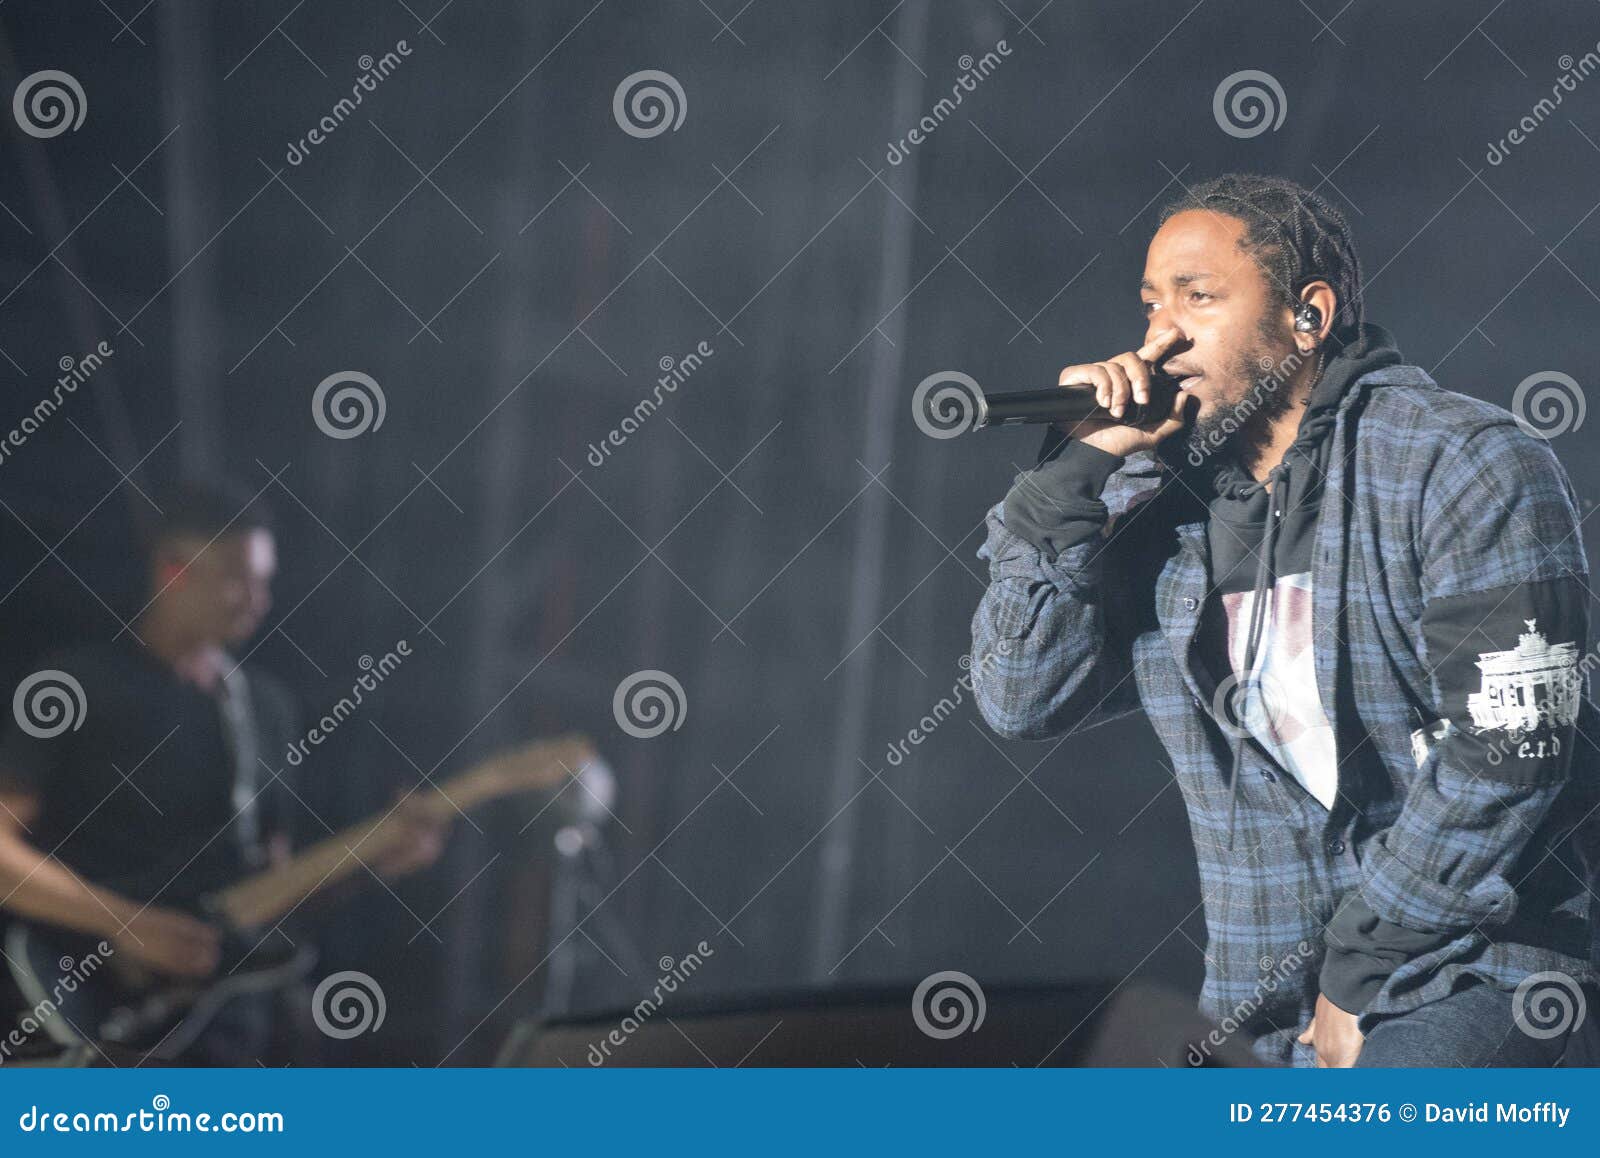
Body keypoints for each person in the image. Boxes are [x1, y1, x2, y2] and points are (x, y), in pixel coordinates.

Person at [971, 172, 1600, 1067]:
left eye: (1200, 296)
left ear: (1308, 316)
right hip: (1263, 1012)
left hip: (1472, 971)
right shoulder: (1156, 508)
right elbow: (1020, 696)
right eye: (1152, 302)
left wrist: (1359, 971)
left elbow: (1510, 751)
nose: (1162, 333)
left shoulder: (1463, 461)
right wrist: (1074, 475)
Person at [0, 480, 446, 1063]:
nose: (258, 598)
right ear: (173, 571)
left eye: (265, 579)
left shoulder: (265, 707)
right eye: (239, 576)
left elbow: (272, 885)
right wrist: (127, 925)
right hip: (84, 1010)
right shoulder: (77, 685)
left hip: (226, 1029)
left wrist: (373, 863)